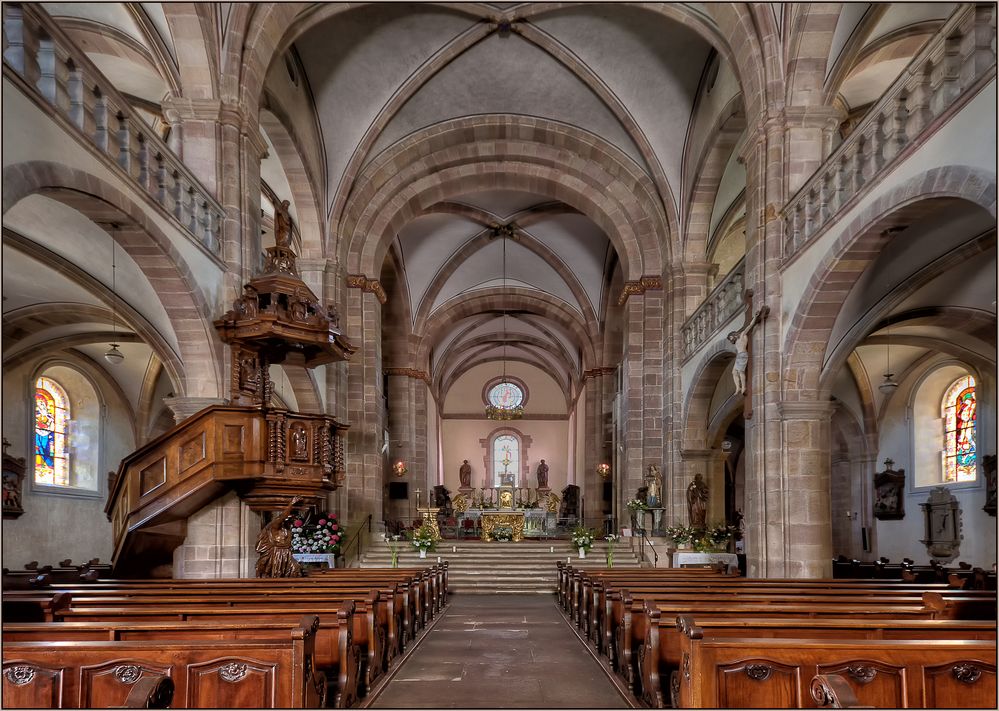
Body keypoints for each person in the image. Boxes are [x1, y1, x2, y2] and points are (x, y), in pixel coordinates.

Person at [255, 496, 303, 578]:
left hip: (286, 554)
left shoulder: (287, 529)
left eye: (293, 519)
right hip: (275, 553)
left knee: (296, 569)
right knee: (272, 573)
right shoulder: (275, 526)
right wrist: (290, 505)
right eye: (291, 519)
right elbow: (281, 517)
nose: (293, 521)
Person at [727, 307, 767, 395]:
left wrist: (756, 317)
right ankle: (738, 387)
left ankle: (744, 387)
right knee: (734, 372)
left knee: (741, 371)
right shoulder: (736, 341)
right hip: (739, 356)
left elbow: (750, 326)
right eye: (730, 339)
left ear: (733, 335)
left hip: (743, 355)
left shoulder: (742, 335)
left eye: (731, 337)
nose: (731, 339)